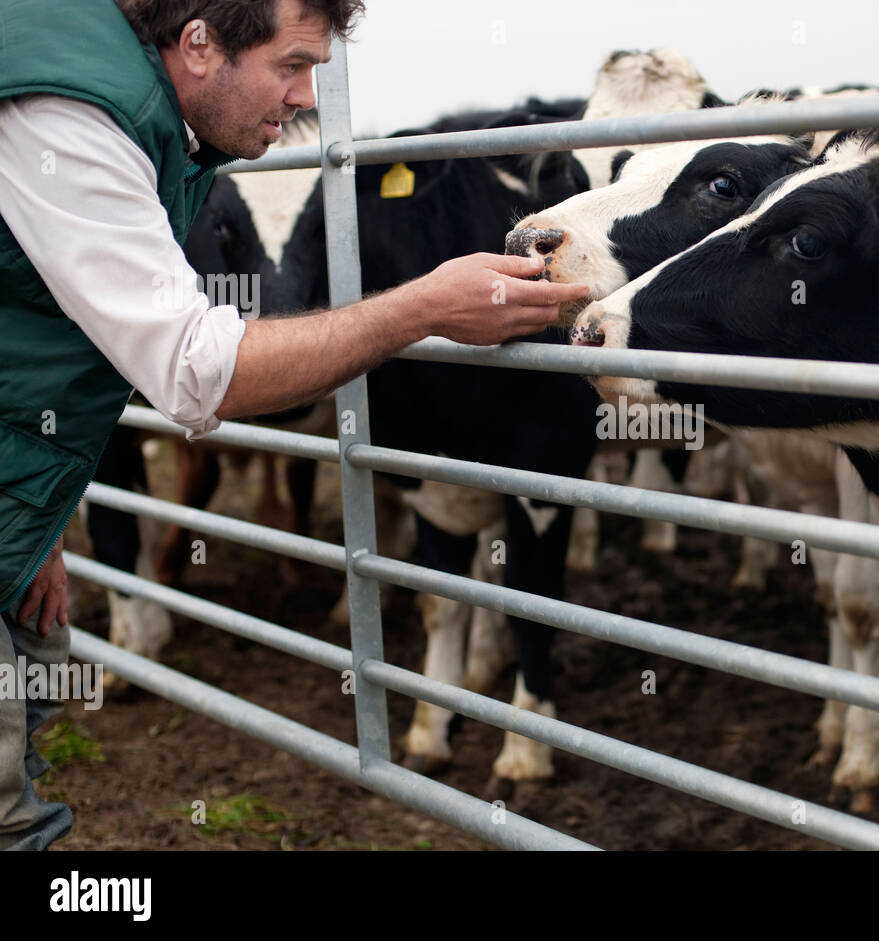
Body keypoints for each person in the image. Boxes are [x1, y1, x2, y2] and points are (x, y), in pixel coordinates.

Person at [0, 0, 588, 850]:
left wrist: (32, 524)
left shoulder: (129, 100)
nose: (308, 94)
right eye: (292, 64)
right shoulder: (77, 114)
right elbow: (198, 366)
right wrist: (424, 306)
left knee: (23, 736)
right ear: (199, 42)